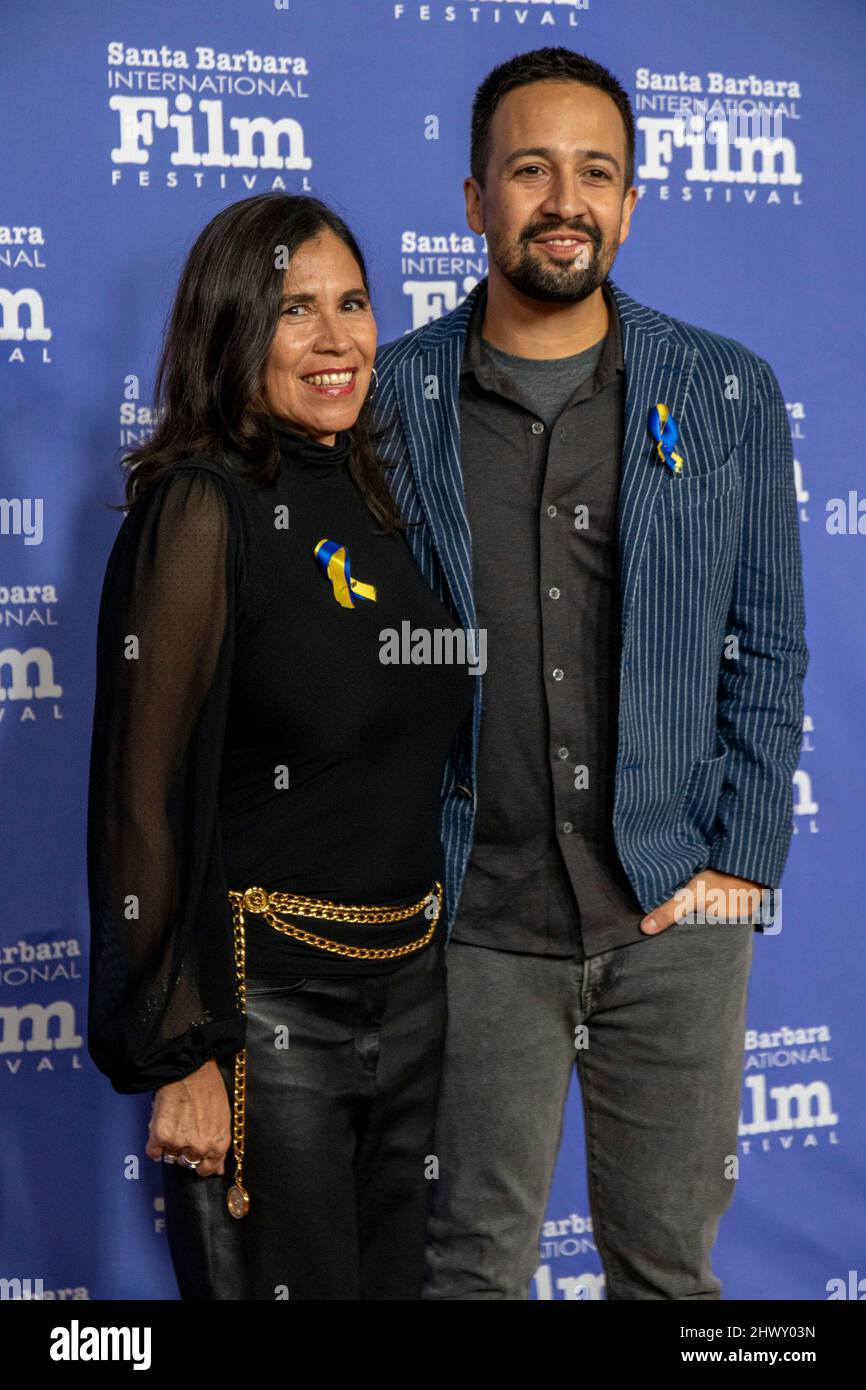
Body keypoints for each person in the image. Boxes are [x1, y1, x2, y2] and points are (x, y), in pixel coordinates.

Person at [372, 47, 809, 1300]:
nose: (563, 200)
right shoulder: (393, 398)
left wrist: (741, 863)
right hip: (472, 921)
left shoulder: (724, 390)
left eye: (594, 172)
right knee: (469, 1267)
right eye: (529, 170)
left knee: (668, 1273)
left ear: (628, 203)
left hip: (675, 921)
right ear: (474, 198)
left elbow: (768, 643)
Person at [86, 191, 475, 1300]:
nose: (335, 338)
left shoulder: (368, 493)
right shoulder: (199, 509)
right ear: (232, 328)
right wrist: (183, 1053)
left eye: (352, 303)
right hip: (267, 1018)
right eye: (295, 309)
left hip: (411, 997)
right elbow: (140, 804)